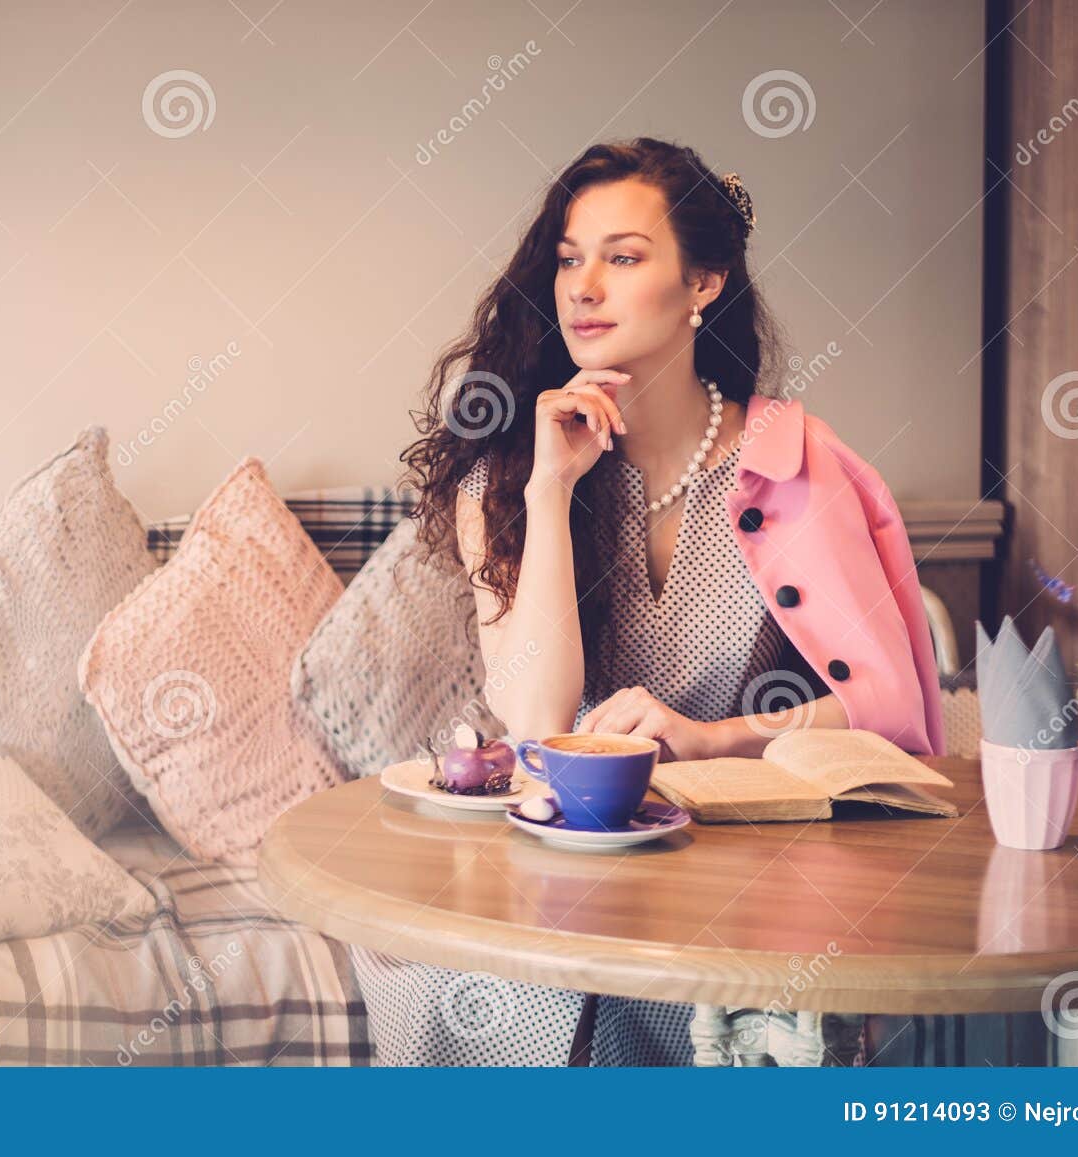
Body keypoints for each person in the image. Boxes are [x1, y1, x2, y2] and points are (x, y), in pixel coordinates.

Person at [368, 136, 945, 1066]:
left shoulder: (795, 464)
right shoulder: (506, 479)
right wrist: (549, 490)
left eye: (624, 258)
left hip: (738, 872)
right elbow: (537, 716)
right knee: (482, 990)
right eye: (569, 260)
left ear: (702, 283)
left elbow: (890, 710)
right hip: (561, 866)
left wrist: (712, 737)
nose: (583, 288)